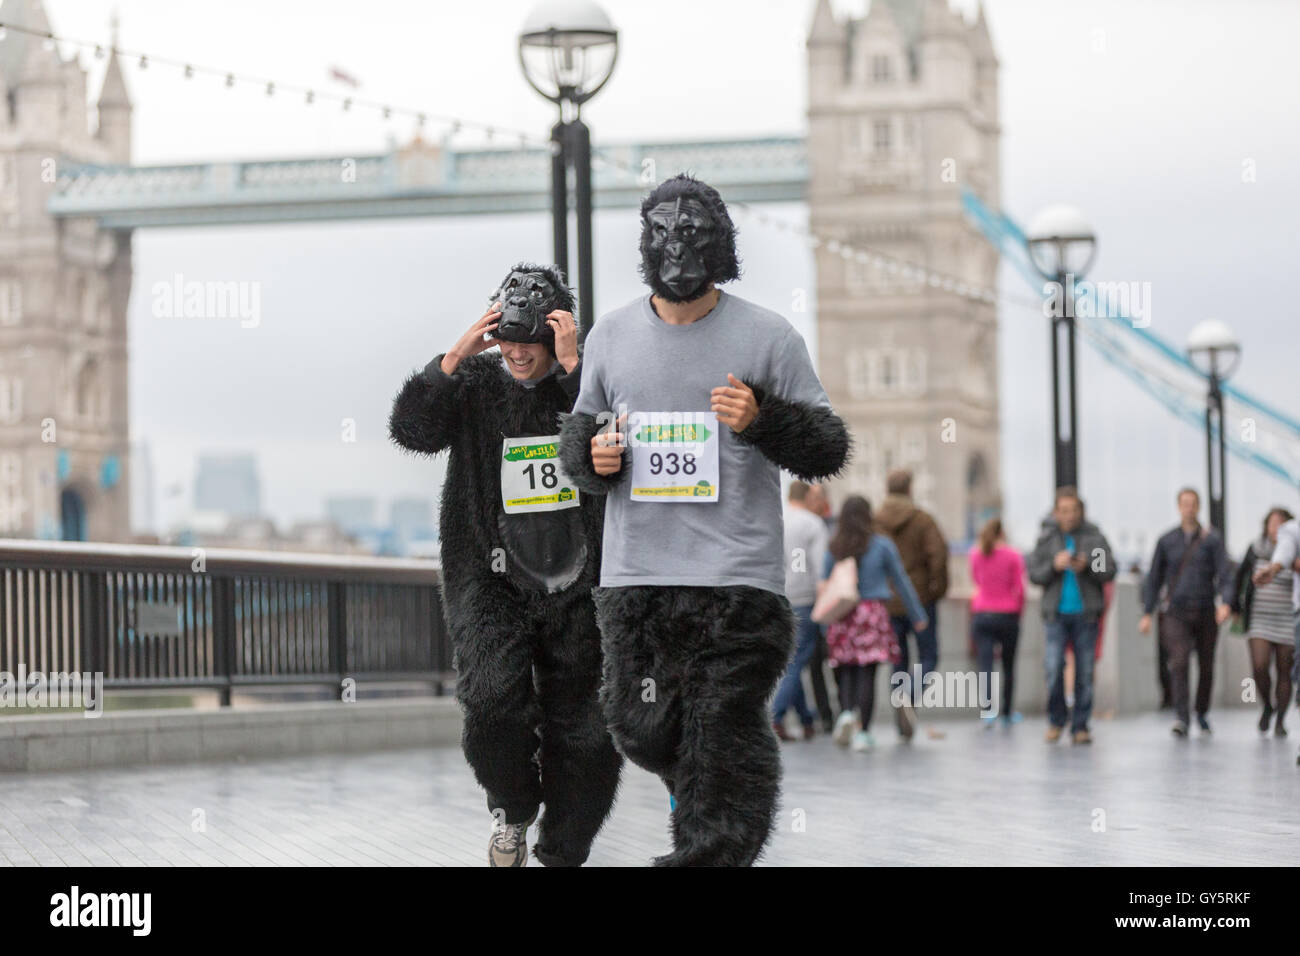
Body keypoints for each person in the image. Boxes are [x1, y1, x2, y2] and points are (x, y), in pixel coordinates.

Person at [558, 174, 851, 866]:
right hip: (636, 576)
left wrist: (763, 419)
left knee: (720, 730)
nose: (674, 246)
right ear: (644, 244)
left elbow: (827, 447)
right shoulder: (611, 336)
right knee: (639, 726)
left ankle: (712, 845)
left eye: (690, 233)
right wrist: (595, 456)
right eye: (660, 233)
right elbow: (577, 441)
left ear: (719, 243)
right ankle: (702, 790)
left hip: (736, 578)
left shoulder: (768, 336)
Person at [387, 262, 621, 867]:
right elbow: (410, 430)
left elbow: (620, 446)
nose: (518, 354)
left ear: (557, 335)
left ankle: (564, 848)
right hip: (488, 577)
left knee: (587, 730)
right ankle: (514, 809)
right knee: (491, 701)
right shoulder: (475, 384)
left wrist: (576, 370)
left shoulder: (590, 379)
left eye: (533, 344)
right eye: (508, 341)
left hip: (579, 581)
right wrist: (455, 356)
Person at [822, 496, 928, 751]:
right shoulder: (882, 545)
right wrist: (917, 615)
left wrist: (824, 624)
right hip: (872, 614)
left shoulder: (835, 547)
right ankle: (864, 733)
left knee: (846, 668)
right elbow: (901, 580)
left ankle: (847, 713)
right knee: (867, 672)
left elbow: (825, 583)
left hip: (843, 613)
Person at [1027, 487, 1117, 745]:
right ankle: (1056, 720)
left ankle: (1080, 726)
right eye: (1064, 511)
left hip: (1086, 615)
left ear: (1082, 512)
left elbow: (1108, 570)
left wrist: (1087, 565)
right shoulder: (1046, 539)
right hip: (1055, 614)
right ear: (1056, 512)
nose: (1069, 516)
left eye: (1074, 510)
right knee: (1053, 667)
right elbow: (1034, 574)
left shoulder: (1095, 538)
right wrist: (1054, 566)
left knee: (1085, 672)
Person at [1139, 488, 1232, 737]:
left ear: (1198, 506)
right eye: (1184, 504)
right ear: (1178, 506)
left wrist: (1226, 602)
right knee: (1178, 662)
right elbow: (1154, 578)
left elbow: (1225, 573)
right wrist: (1147, 612)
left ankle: (1201, 711)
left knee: (1206, 664)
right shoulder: (1166, 540)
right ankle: (1181, 716)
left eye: (1193, 504)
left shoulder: (1212, 539)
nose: (1189, 508)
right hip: (1176, 611)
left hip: (1204, 609)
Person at [875, 468, 949, 739]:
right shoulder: (923, 520)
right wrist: (936, 590)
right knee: (929, 656)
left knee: (898, 661)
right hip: (920, 601)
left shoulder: (875, 522)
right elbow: (938, 555)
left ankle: (901, 720)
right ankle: (911, 696)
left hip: (886, 602)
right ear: (909, 489)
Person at [772, 481, 830, 741]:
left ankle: (807, 719)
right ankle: (775, 715)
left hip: (777, 597)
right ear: (807, 496)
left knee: (790, 660)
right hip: (804, 599)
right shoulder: (812, 523)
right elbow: (821, 568)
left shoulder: (776, 518)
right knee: (796, 662)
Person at [1231, 508, 1295, 736]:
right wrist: (1234, 607)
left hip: (1288, 618)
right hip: (1260, 617)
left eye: (1281, 524)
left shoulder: (1294, 551)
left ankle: (1281, 719)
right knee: (1259, 666)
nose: (1276, 528)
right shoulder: (1255, 549)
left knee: (1285, 670)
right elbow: (1239, 578)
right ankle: (1267, 706)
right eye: (1272, 523)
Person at [968, 518, 1025, 725]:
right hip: (1008, 615)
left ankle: (987, 711)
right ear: (1002, 533)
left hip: (982, 614)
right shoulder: (1013, 555)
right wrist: (1018, 611)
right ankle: (1007, 712)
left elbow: (976, 581)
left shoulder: (975, 553)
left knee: (985, 665)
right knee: (1009, 666)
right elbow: (1020, 588)